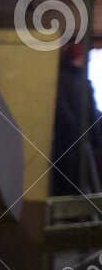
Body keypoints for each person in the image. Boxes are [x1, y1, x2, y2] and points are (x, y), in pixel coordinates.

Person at [51, 38, 102, 197]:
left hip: (76, 147)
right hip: (71, 149)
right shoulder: (66, 80)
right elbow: (69, 119)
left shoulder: (75, 80)